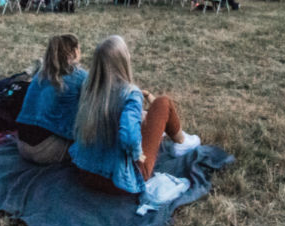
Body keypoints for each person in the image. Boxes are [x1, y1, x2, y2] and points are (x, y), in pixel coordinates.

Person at [70, 36, 200, 195]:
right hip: (118, 180)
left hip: (85, 172)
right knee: (163, 103)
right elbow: (129, 138)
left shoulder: (89, 88)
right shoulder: (130, 94)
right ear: (123, 61)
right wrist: (140, 155)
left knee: (142, 120)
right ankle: (182, 142)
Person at [15, 34, 88, 164]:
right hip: (45, 149)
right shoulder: (79, 76)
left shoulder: (40, 75)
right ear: (74, 51)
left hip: (21, 144)